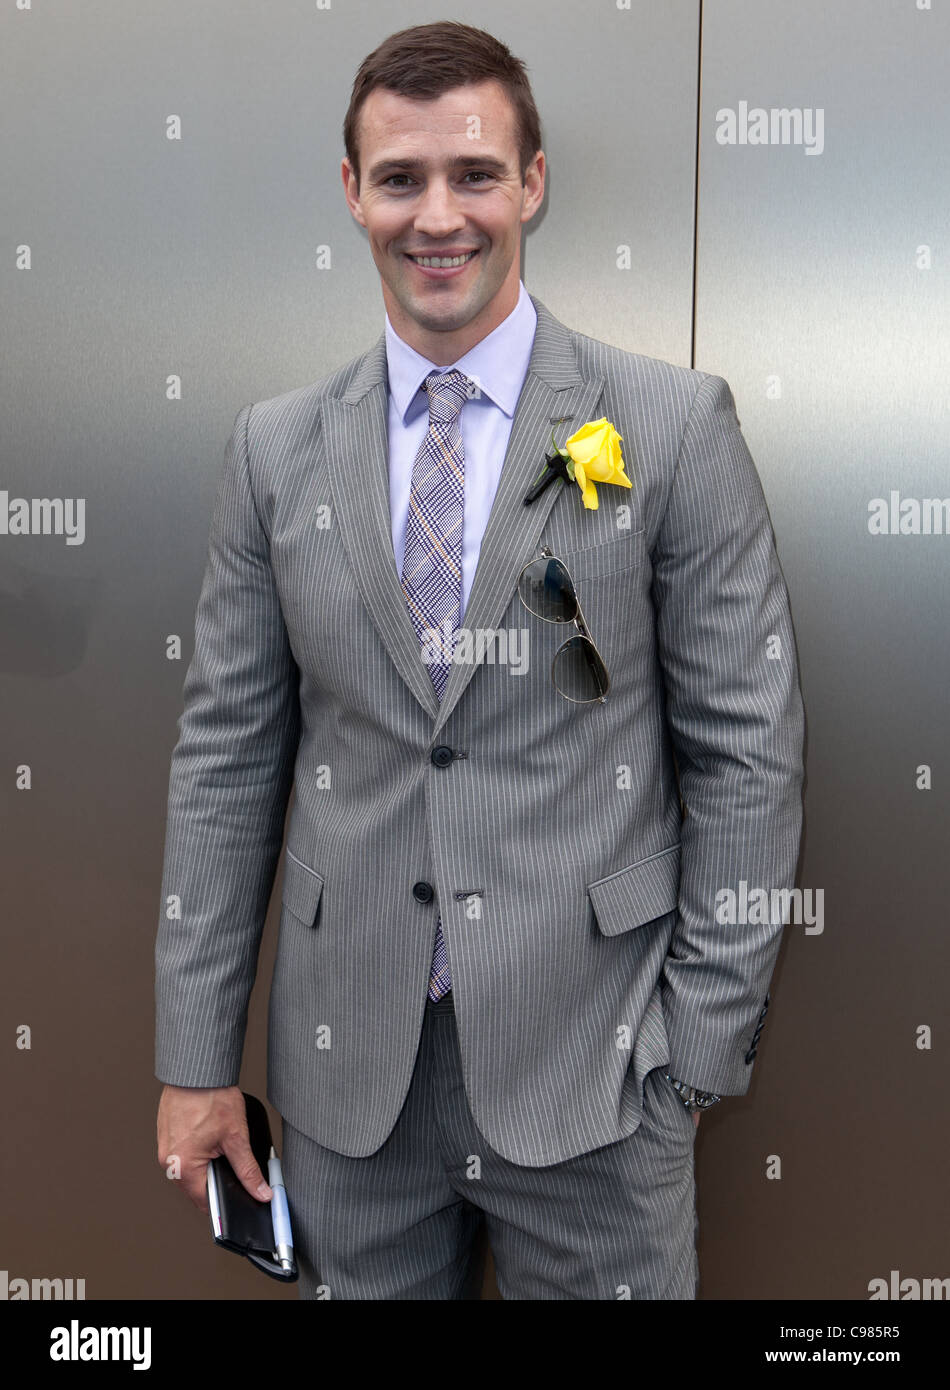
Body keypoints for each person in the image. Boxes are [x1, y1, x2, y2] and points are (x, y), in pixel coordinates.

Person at [155, 20, 804, 1300]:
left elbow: (747, 751)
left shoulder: (664, 428)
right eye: (399, 178)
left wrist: (692, 1055)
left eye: (473, 173)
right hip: (350, 1095)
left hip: (599, 1077)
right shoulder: (273, 453)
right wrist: (193, 1057)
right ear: (352, 193)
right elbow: (224, 765)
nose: (436, 214)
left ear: (532, 184)